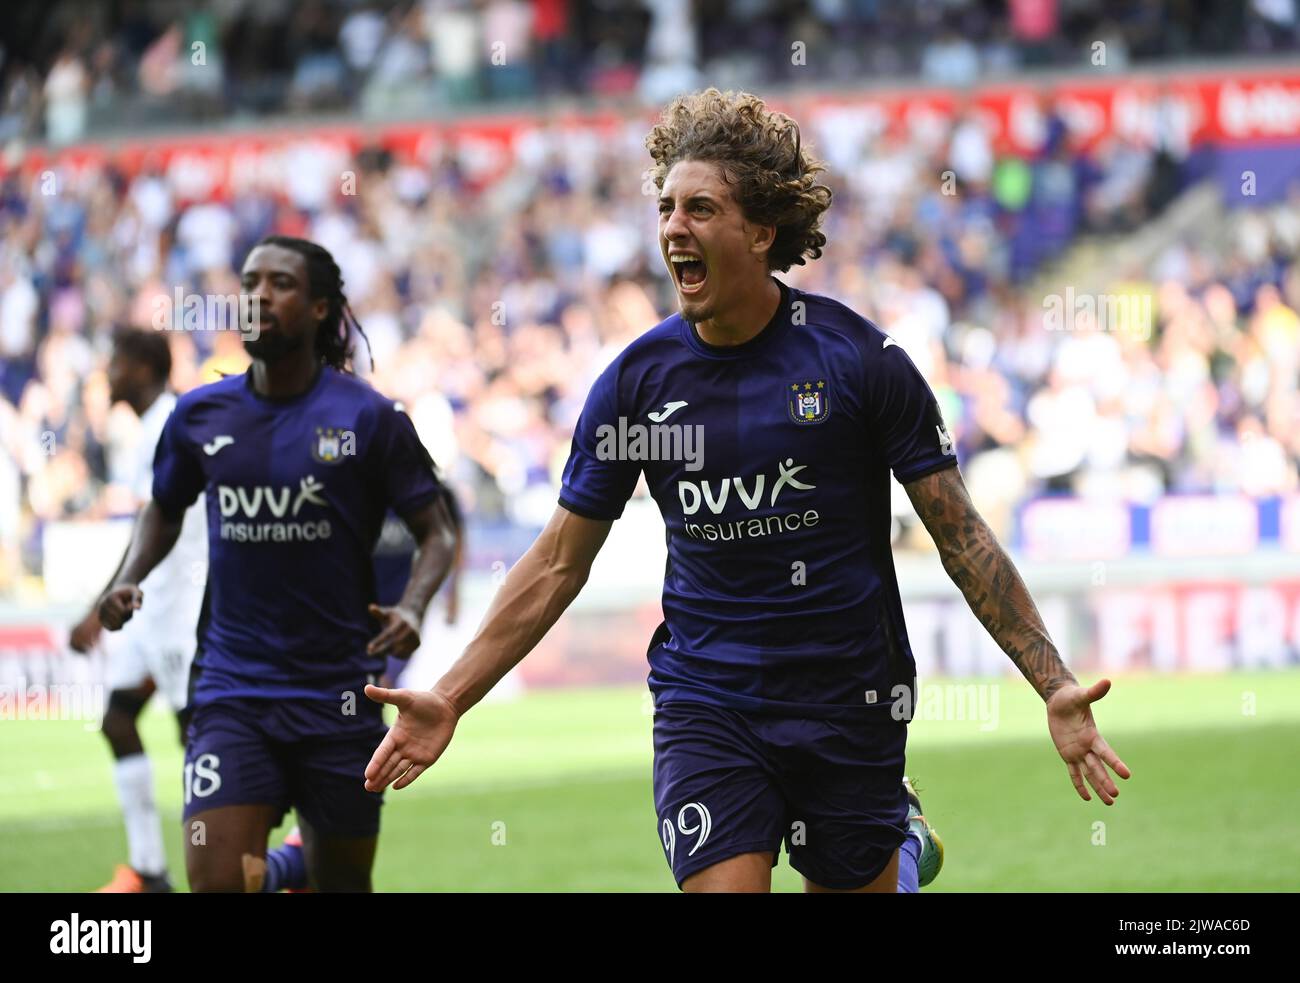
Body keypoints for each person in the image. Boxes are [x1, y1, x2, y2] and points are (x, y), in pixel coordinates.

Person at [363, 89, 1129, 893]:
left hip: (848, 696)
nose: (672, 228)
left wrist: (1054, 685)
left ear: (761, 233)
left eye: (700, 208)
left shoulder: (861, 363)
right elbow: (558, 562)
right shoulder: (635, 386)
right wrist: (449, 696)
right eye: (666, 207)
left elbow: (960, 535)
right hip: (709, 700)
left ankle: (897, 845)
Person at [96, 235, 457, 892]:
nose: (259, 295)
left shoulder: (368, 417)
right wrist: (127, 577)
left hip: (341, 697)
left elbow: (438, 531)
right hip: (233, 691)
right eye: (250, 281)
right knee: (217, 884)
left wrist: (414, 604)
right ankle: (279, 864)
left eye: (280, 283)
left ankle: (291, 863)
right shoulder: (200, 415)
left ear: (321, 308)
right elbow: (164, 507)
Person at [70, 327, 207, 893]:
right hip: (151, 612)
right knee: (117, 720)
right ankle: (150, 871)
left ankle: (244, 863)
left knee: (199, 744)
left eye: (117, 361)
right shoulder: (148, 431)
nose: (109, 371)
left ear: (146, 368)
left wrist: (101, 601)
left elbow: (161, 528)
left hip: (180, 612)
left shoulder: (173, 424)